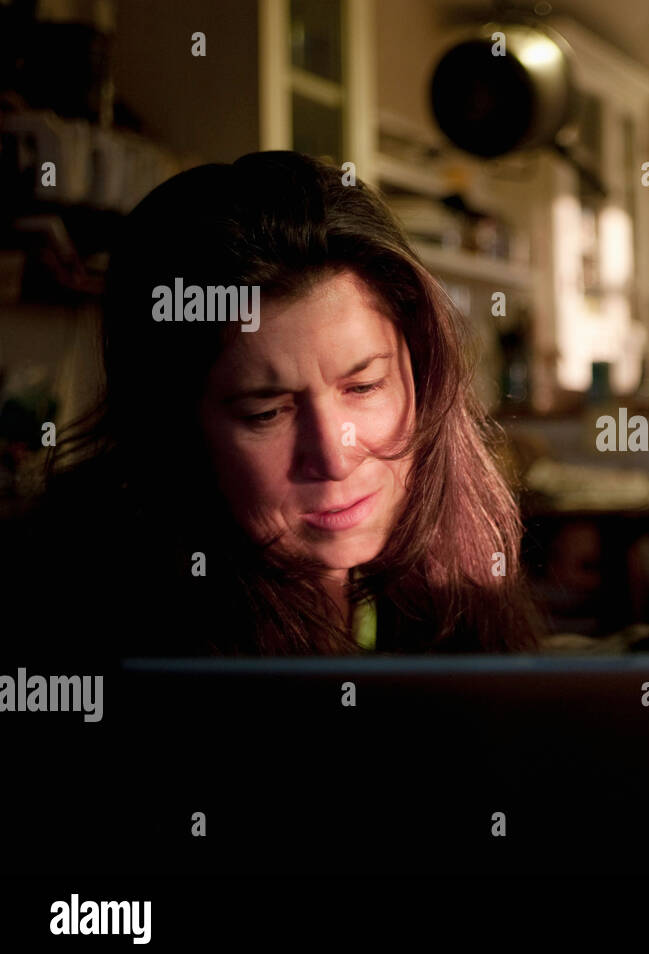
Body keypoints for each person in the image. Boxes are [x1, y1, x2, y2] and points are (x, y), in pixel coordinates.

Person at [2, 151, 542, 657]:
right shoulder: (101, 627)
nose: (333, 456)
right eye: (267, 413)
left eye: (364, 386)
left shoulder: (449, 581)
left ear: (421, 375)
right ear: (175, 429)